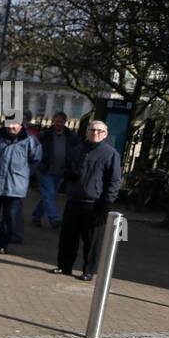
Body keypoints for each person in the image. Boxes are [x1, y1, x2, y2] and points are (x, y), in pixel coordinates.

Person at [53, 120, 122, 280]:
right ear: (87, 132)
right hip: (74, 199)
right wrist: (69, 175)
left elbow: (114, 180)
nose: (95, 133)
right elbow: (66, 167)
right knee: (68, 237)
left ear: (105, 134)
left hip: (94, 203)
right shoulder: (77, 149)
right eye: (92, 130)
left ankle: (88, 271)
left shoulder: (110, 153)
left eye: (99, 131)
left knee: (91, 240)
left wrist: (106, 204)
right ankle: (64, 266)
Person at [0, 113, 41, 254]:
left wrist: (25, 174)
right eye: (8, 123)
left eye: (14, 124)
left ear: (21, 125)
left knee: (9, 216)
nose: (11, 127)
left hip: (15, 186)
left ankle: (2, 244)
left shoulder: (30, 141)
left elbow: (36, 160)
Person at [31, 111, 77, 229]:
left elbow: (75, 151)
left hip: (61, 171)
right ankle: (54, 218)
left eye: (61, 121)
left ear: (65, 122)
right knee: (49, 194)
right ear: (53, 121)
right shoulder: (44, 135)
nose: (59, 123)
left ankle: (36, 216)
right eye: (57, 121)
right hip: (45, 170)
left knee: (48, 196)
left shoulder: (71, 136)